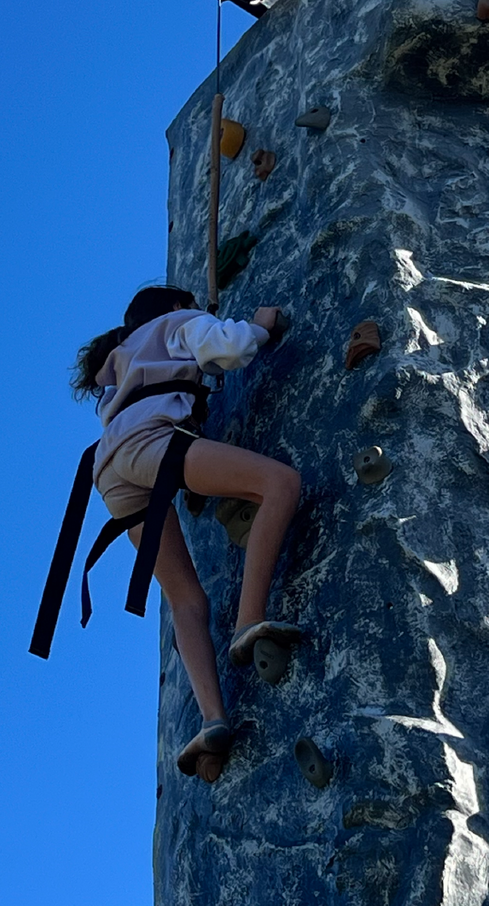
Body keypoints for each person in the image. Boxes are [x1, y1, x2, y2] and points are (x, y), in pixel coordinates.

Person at [64, 285, 302, 781]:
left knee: (184, 597)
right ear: (175, 306)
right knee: (279, 484)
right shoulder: (177, 323)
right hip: (150, 444)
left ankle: (212, 719)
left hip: (110, 471)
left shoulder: (122, 355)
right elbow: (230, 348)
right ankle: (249, 621)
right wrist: (259, 326)